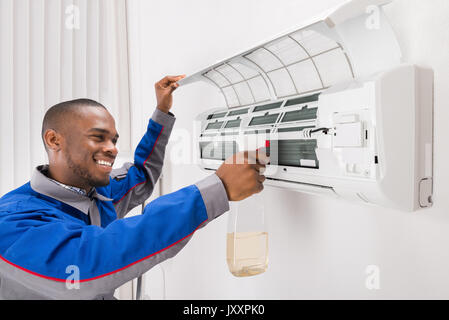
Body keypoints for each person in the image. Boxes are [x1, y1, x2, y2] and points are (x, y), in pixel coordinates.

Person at [0, 75, 268, 300]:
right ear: (54, 139)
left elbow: (141, 174)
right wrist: (217, 189)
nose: (113, 149)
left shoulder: (97, 193)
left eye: (114, 139)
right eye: (98, 137)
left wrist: (161, 113)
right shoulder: (13, 221)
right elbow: (84, 265)